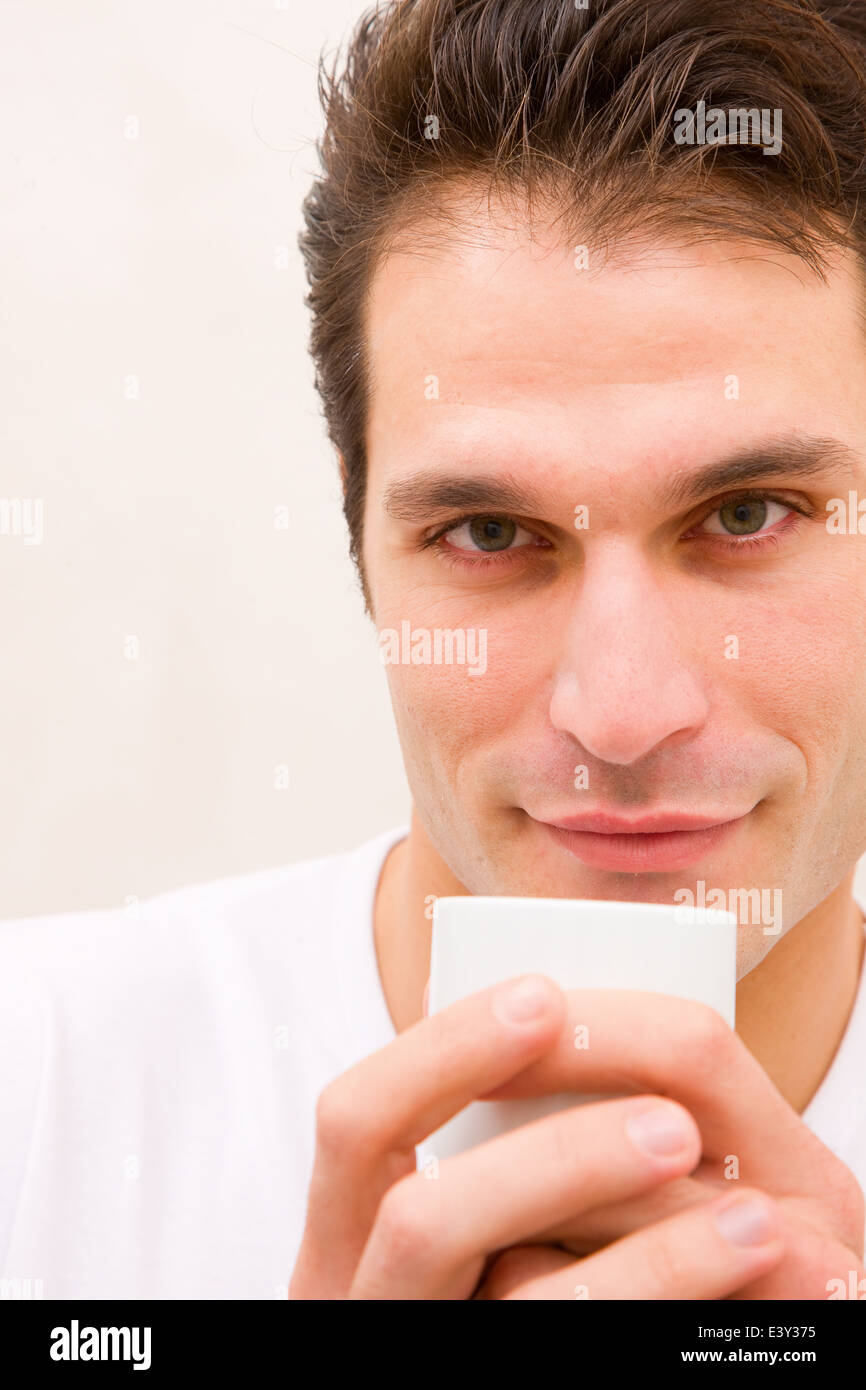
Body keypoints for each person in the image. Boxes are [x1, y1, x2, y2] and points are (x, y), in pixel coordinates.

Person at [2, 0, 866, 1300]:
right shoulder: (40, 1096)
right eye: (488, 530)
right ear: (359, 539)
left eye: (746, 516)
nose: (620, 713)